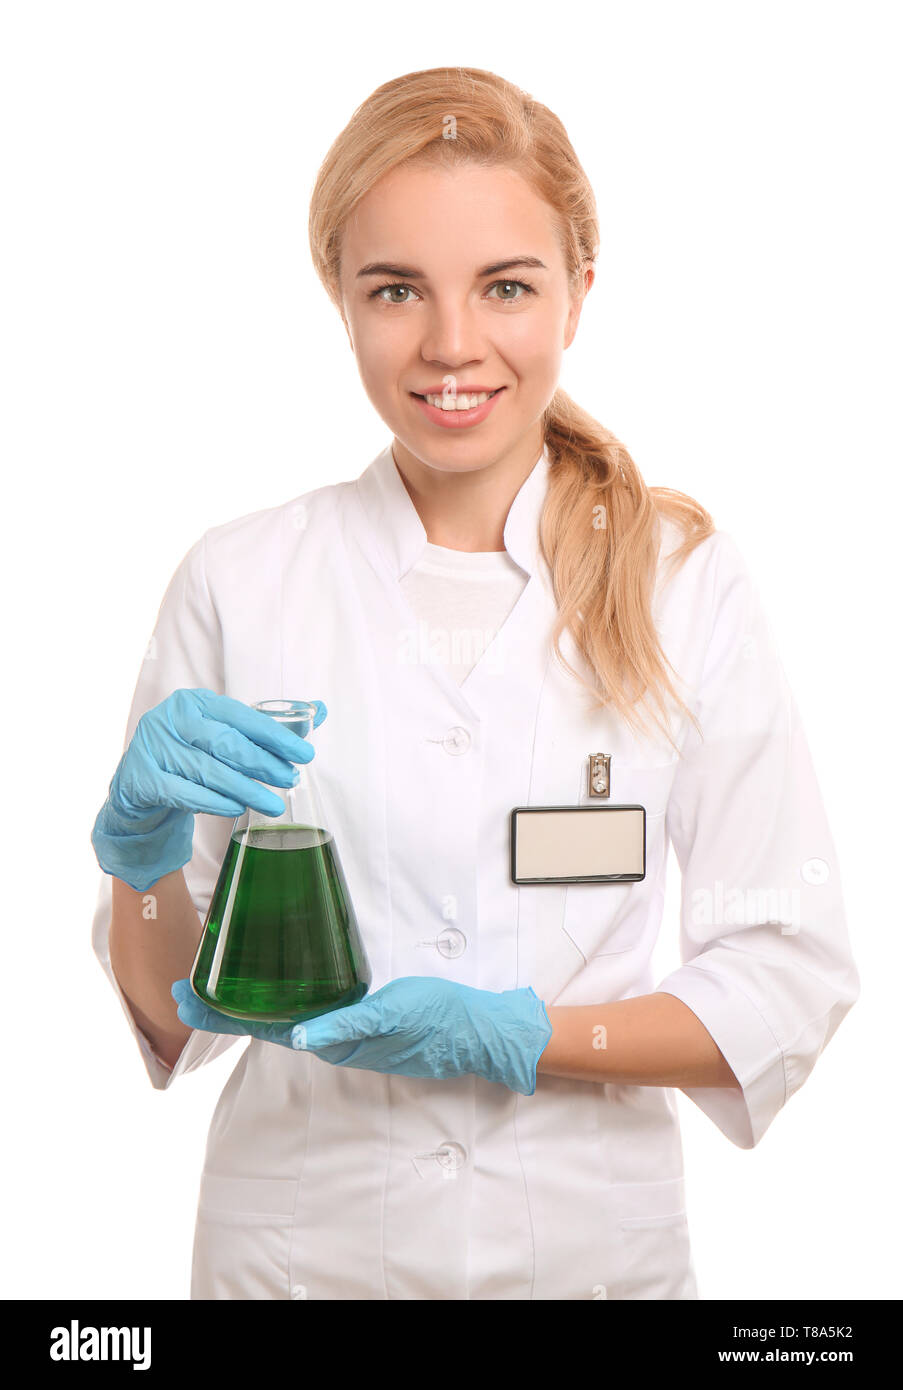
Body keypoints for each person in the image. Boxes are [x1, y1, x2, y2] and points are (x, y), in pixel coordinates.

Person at [90, 66, 859, 1301]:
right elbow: (179, 1015)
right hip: (297, 1259)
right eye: (395, 289)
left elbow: (787, 970)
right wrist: (136, 867)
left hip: (586, 1260)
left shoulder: (684, 585)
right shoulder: (240, 579)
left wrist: (533, 1037)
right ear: (341, 300)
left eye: (506, 285)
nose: (452, 346)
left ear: (579, 293)